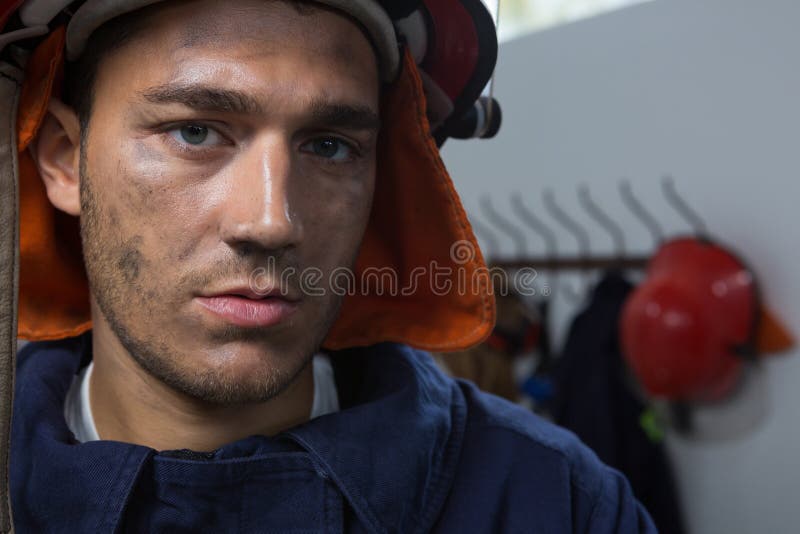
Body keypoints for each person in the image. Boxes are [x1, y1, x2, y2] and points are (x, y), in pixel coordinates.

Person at [0, 0, 656, 531]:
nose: (271, 221)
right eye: (195, 131)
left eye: (329, 145)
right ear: (63, 156)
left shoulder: (556, 503)